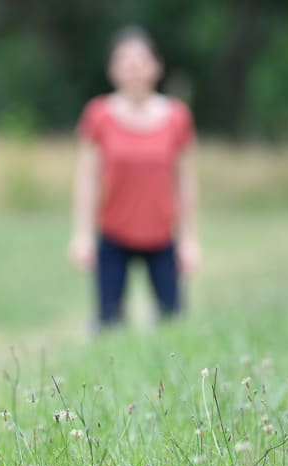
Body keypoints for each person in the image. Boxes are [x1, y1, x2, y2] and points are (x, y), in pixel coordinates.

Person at [69, 26, 200, 329]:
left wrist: (190, 240)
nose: (134, 70)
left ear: (156, 66)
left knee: (174, 322)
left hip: (161, 233)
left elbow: (186, 183)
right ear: (113, 70)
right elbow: (87, 180)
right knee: (108, 323)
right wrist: (83, 235)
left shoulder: (176, 117)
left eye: (141, 61)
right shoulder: (98, 115)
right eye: (125, 62)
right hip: (114, 231)